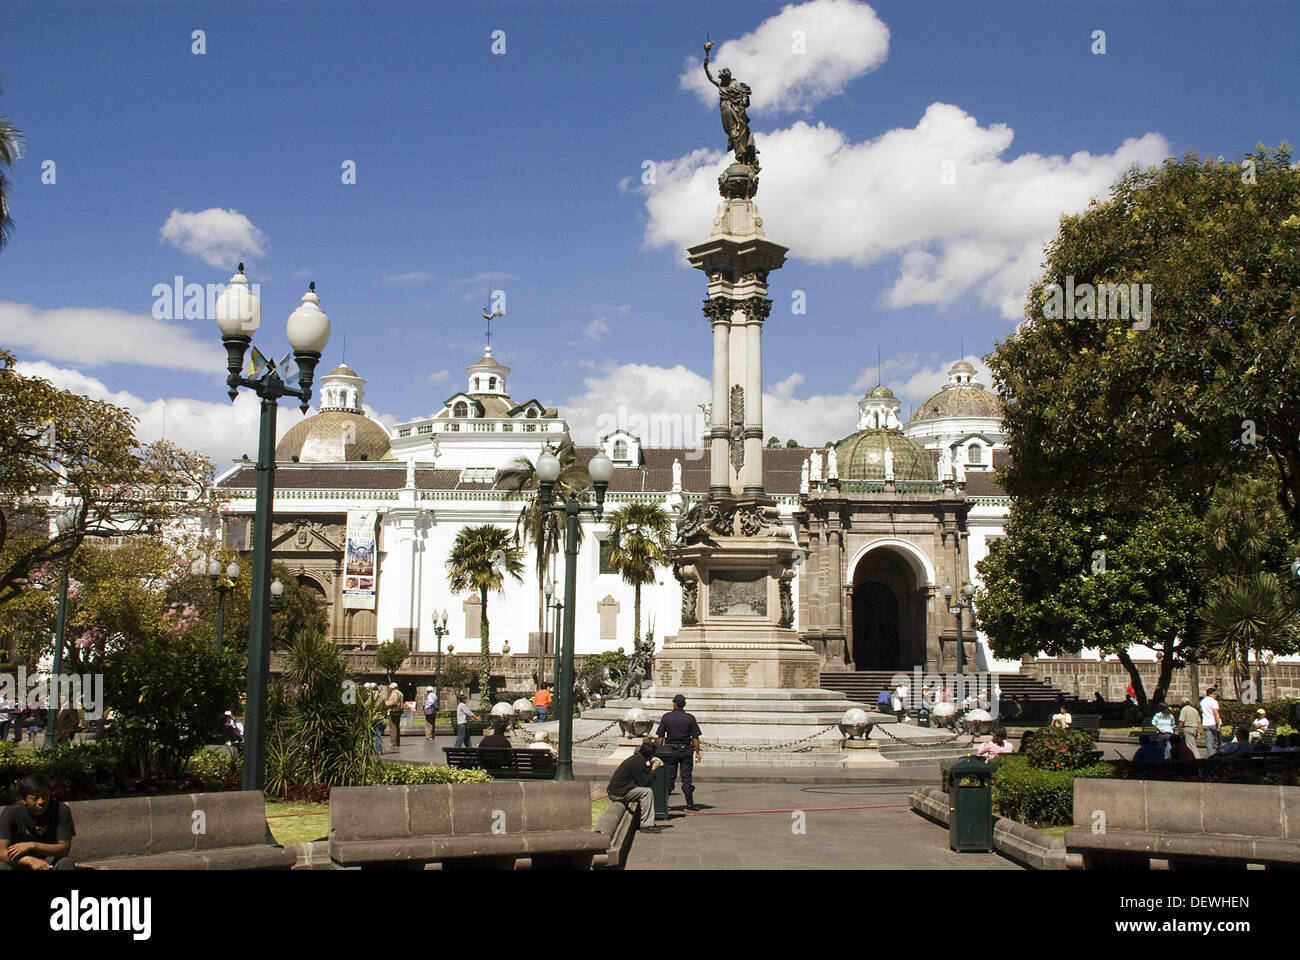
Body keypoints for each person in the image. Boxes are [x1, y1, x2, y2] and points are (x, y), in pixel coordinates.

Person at [0, 773, 76, 870]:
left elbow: (64, 848)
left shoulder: (61, 810)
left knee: (66, 862)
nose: (41, 802)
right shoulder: (11, 813)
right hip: (20, 862)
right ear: (24, 799)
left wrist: (33, 846)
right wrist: (31, 861)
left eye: (45, 796)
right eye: (34, 799)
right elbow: (2, 852)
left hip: (48, 862)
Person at [656, 693, 703, 812]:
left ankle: (663, 804)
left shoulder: (666, 717)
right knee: (686, 778)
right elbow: (695, 738)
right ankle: (690, 804)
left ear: (674, 704)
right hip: (686, 750)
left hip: (670, 751)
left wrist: (658, 751)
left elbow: (661, 736)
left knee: (669, 778)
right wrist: (697, 752)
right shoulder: (690, 718)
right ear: (684, 705)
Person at [607, 741, 665, 831]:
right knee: (647, 792)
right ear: (650, 755)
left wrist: (649, 764)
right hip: (619, 793)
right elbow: (644, 783)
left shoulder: (636, 759)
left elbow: (642, 776)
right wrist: (653, 769)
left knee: (644, 791)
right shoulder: (637, 762)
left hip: (619, 790)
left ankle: (642, 821)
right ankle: (646, 825)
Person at [1200, 686, 1222, 757]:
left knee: (1209, 743)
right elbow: (1216, 713)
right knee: (1217, 741)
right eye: (1214, 694)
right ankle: (1217, 756)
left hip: (1205, 723)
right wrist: (1218, 724)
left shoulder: (1202, 701)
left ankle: (1210, 757)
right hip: (1213, 723)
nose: (1216, 695)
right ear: (1210, 694)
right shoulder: (1214, 702)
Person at [385, 683, 404, 750]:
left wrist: (385, 703)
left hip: (393, 711)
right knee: (397, 726)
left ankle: (393, 742)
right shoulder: (400, 693)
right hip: (399, 711)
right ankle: (397, 741)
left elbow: (391, 702)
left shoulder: (394, 693)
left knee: (393, 727)